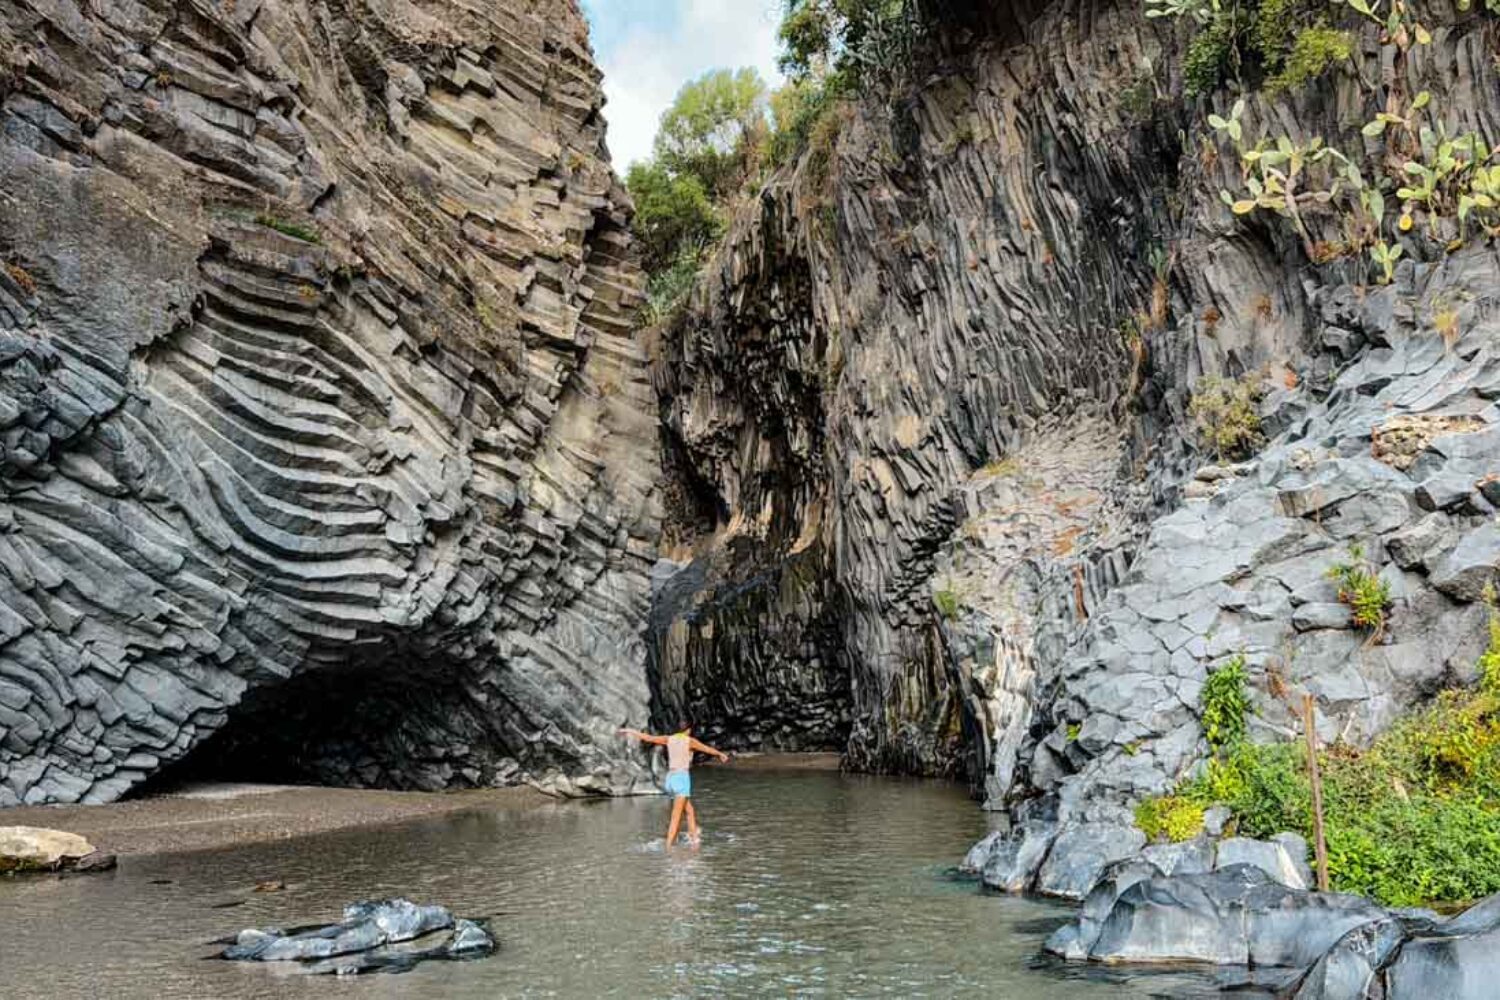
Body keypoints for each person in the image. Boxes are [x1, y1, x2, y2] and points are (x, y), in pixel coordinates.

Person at [618, 723, 729, 846]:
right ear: (688, 730)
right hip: (681, 779)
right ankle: (669, 848)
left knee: (689, 811)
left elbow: (648, 738)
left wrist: (630, 730)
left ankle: (694, 841)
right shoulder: (689, 741)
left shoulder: (668, 739)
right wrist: (720, 754)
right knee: (675, 818)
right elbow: (707, 749)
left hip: (670, 780)